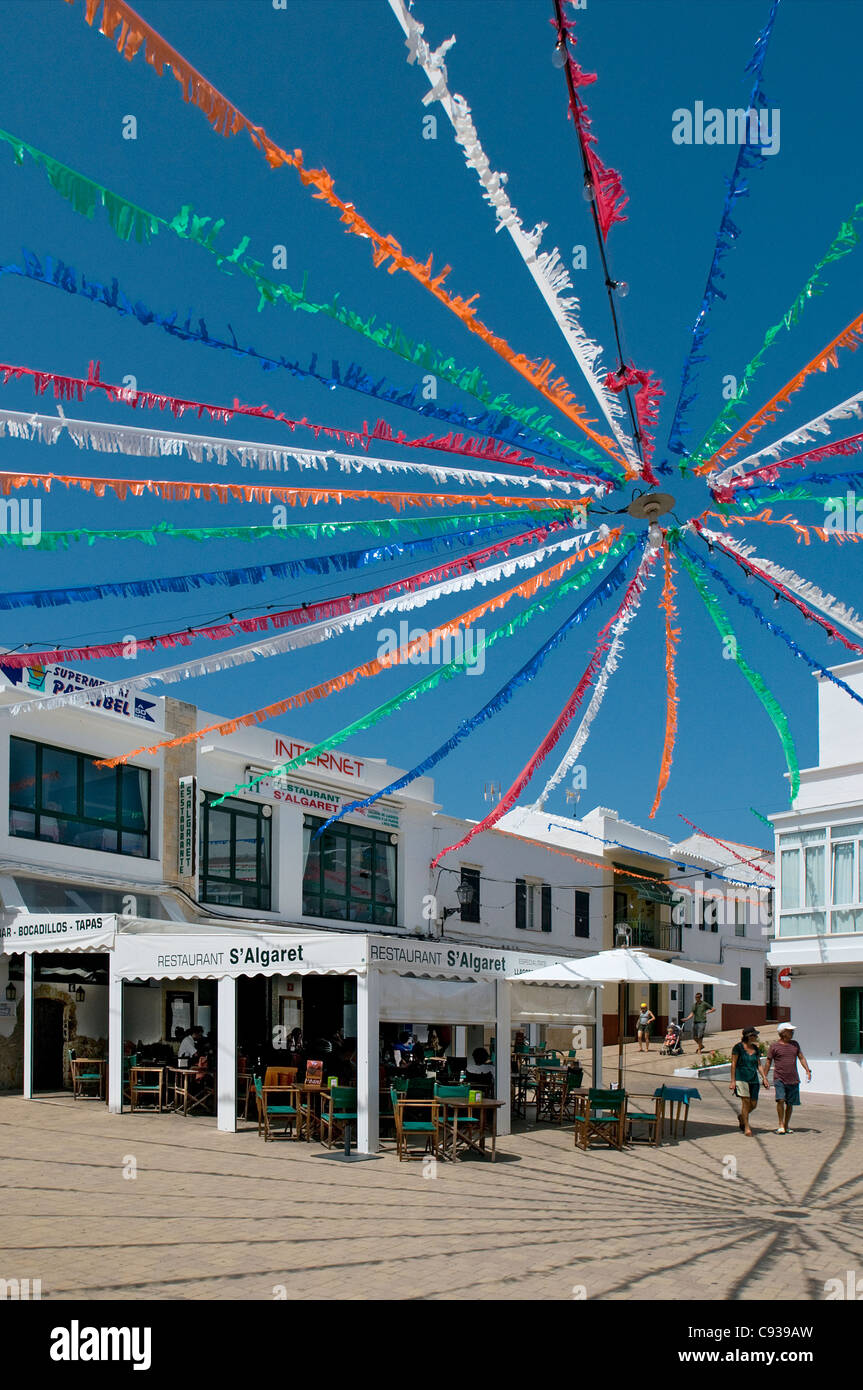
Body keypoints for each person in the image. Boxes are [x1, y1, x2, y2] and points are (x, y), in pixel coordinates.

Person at [761, 1022, 811, 1134]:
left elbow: (801, 1057)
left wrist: (807, 1070)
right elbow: (768, 1062)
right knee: (781, 1100)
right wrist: (764, 1077)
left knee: (790, 1103)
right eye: (790, 1031)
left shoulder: (795, 1045)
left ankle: (786, 1125)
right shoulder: (774, 1046)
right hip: (780, 1078)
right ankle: (780, 1124)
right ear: (783, 1033)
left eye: (792, 1031)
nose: (792, 1032)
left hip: (793, 1078)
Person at [730, 1028, 766, 1136]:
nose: (756, 1037)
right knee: (745, 1102)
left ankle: (742, 1117)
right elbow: (733, 1064)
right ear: (749, 1036)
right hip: (741, 1078)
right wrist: (733, 1081)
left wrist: (764, 1077)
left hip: (753, 1079)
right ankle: (747, 1127)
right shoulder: (738, 1048)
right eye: (754, 1035)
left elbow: (758, 1064)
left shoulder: (755, 1048)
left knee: (753, 1104)